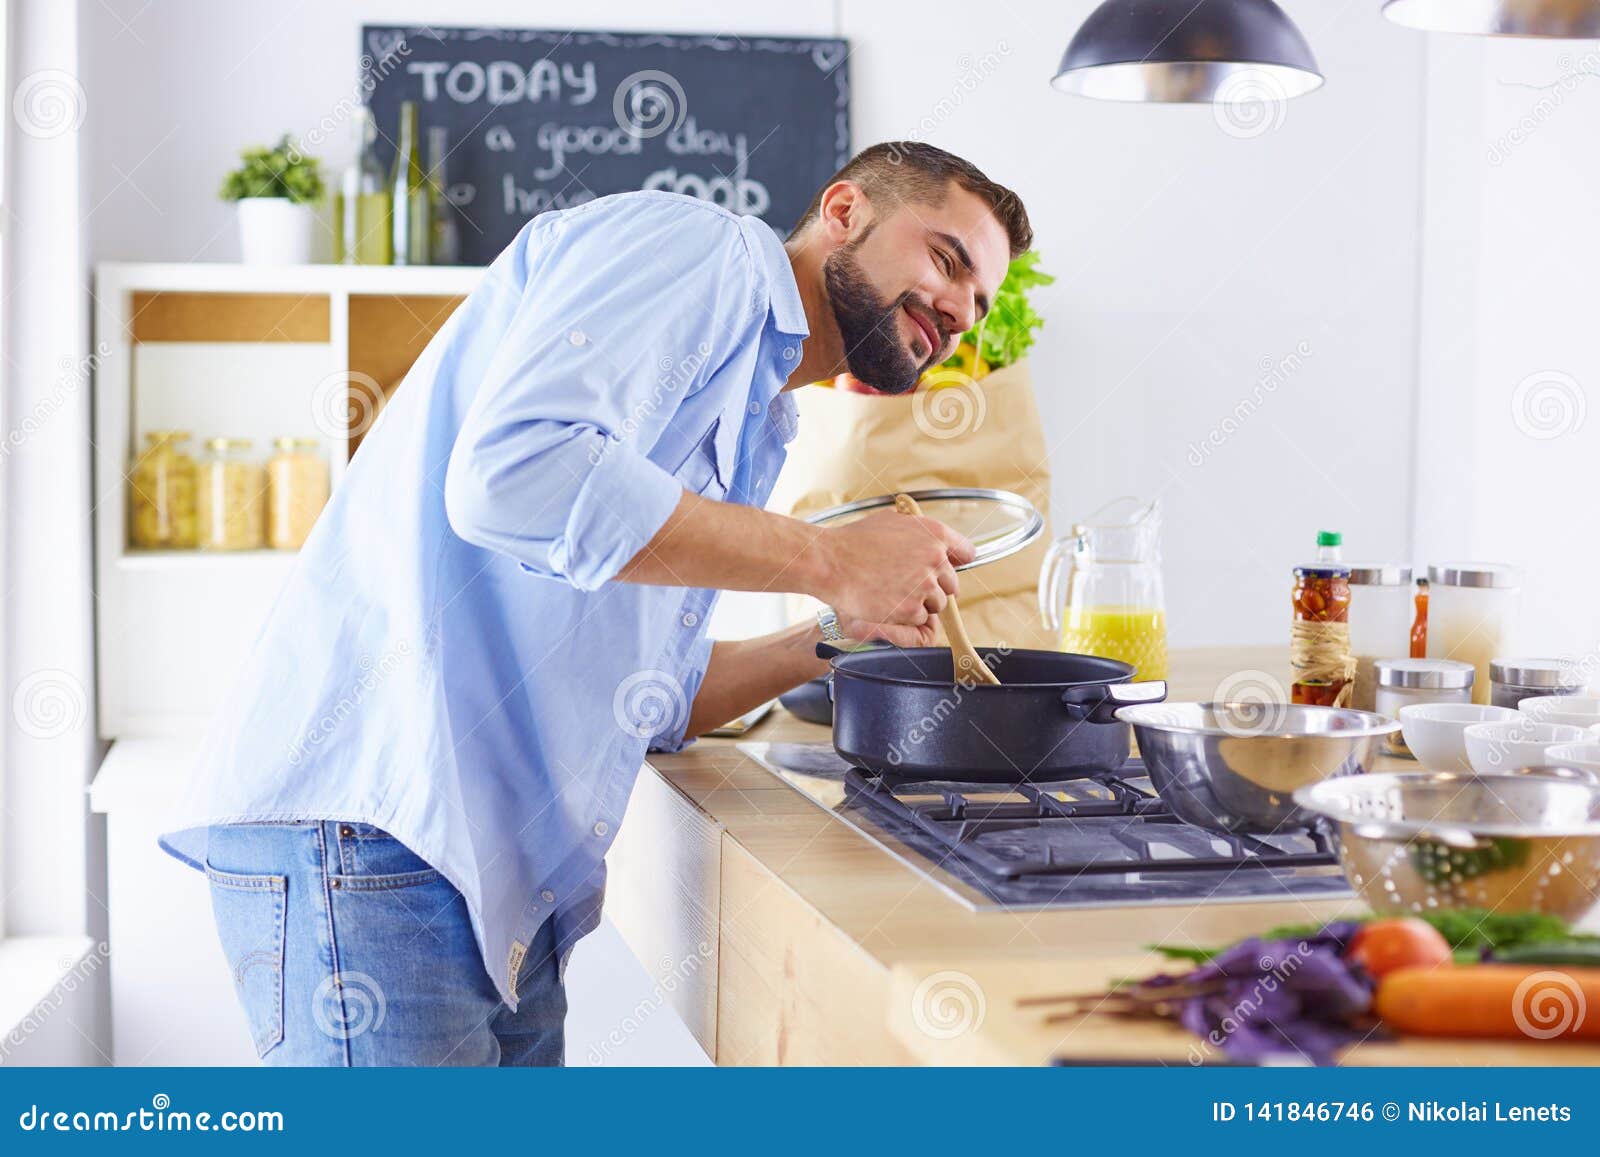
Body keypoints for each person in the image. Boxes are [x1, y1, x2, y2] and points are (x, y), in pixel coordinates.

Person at [161, 141, 1031, 1065]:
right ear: (845, 209)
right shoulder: (708, 255)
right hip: (381, 831)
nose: (958, 311)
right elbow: (510, 476)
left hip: (492, 887)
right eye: (947, 259)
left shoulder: (760, 413)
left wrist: (838, 631)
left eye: (980, 301)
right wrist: (832, 560)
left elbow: (653, 701)